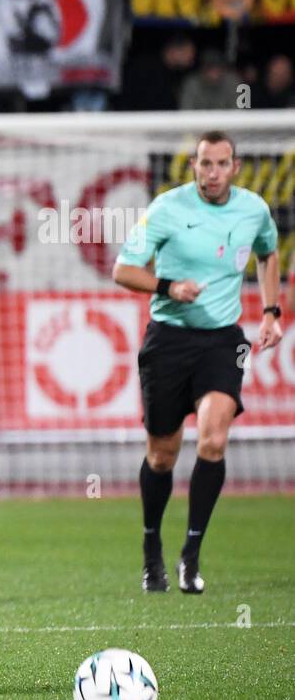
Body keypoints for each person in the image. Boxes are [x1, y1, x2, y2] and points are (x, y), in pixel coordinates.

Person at [113, 130, 283, 593]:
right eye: (205, 164)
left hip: (221, 341)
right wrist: (169, 287)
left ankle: (191, 553)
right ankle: (152, 550)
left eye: (221, 164)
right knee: (162, 455)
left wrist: (271, 311)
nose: (213, 173)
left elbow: (268, 254)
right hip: (168, 340)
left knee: (213, 441)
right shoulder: (167, 209)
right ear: (193, 166)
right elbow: (123, 269)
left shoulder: (254, 210)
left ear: (236, 166)